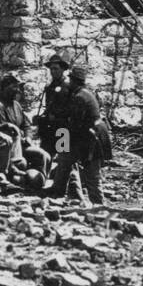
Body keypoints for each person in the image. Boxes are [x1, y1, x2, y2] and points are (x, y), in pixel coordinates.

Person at [45, 66, 109, 205]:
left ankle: (99, 205)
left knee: (92, 173)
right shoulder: (82, 93)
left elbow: (75, 123)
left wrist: (55, 121)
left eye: (70, 80)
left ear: (74, 81)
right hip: (85, 135)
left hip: (91, 137)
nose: (67, 82)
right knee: (64, 160)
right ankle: (58, 193)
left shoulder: (80, 97)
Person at [0, 72, 51, 179]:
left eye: (18, 87)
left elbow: (26, 125)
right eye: (14, 86)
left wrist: (28, 137)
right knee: (21, 164)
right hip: (8, 151)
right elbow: (4, 130)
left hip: (22, 145)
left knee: (44, 156)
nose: (18, 90)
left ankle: (40, 184)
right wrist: (20, 135)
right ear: (5, 87)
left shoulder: (16, 105)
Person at [37, 53, 71, 157]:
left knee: (63, 156)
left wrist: (57, 115)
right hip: (49, 127)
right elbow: (49, 105)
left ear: (62, 69)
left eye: (56, 69)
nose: (53, 72)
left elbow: (70, 108)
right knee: (45, 155)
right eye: (51, 69)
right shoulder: (49, 87)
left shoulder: (68, 86)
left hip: (62, 127)